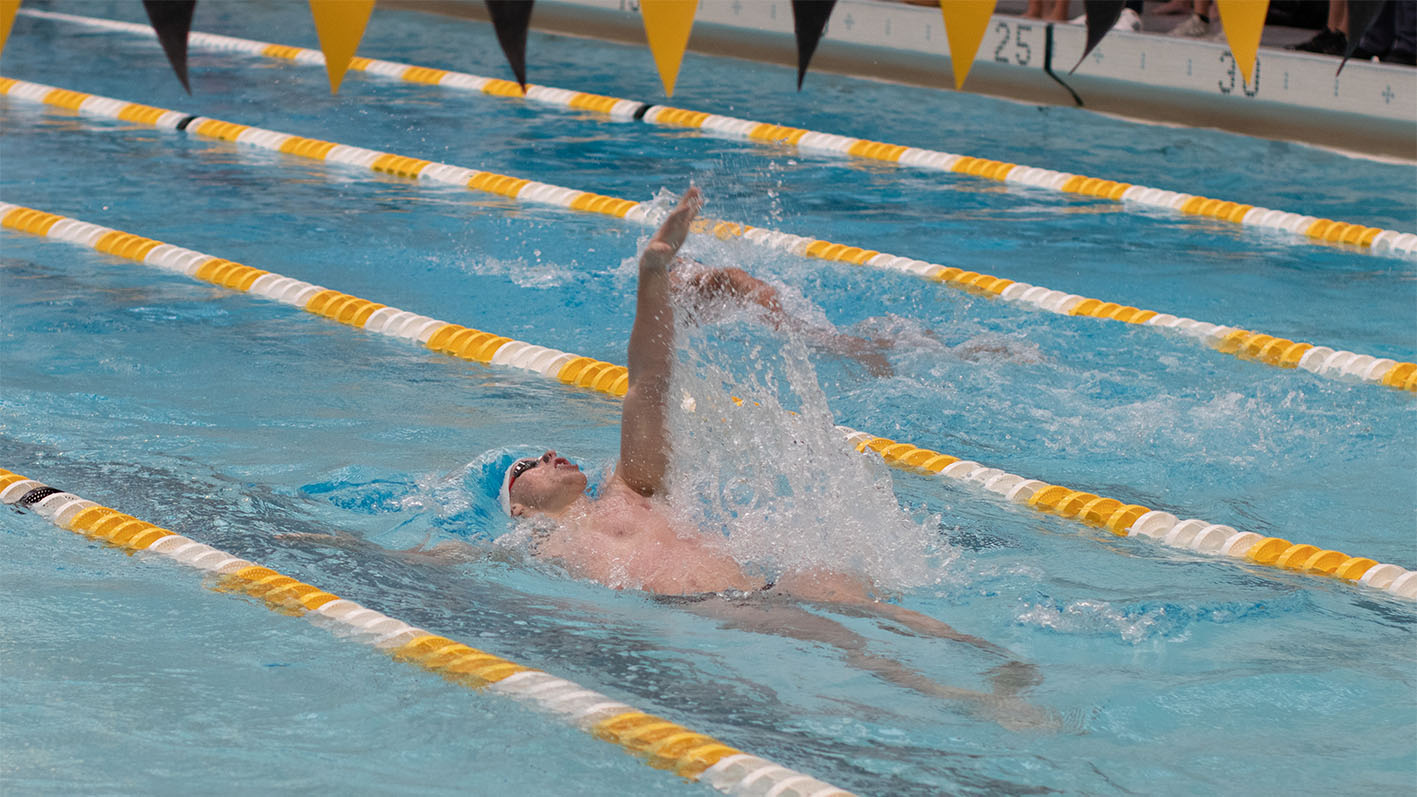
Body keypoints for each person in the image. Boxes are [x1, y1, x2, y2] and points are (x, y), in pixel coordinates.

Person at [291, 187, 1054, 727]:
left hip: (757, 579)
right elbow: (431, 562)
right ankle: (964, 703)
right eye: (526, 464)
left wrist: (654, 272)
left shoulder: (635, 487)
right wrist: (320, 545)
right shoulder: (530, 543)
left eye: (545, 451)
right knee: (845, 644)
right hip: (717, 608)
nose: (548, 452)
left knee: (852, 591)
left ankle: (997, 662)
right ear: (516, 503)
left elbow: (649, 377)